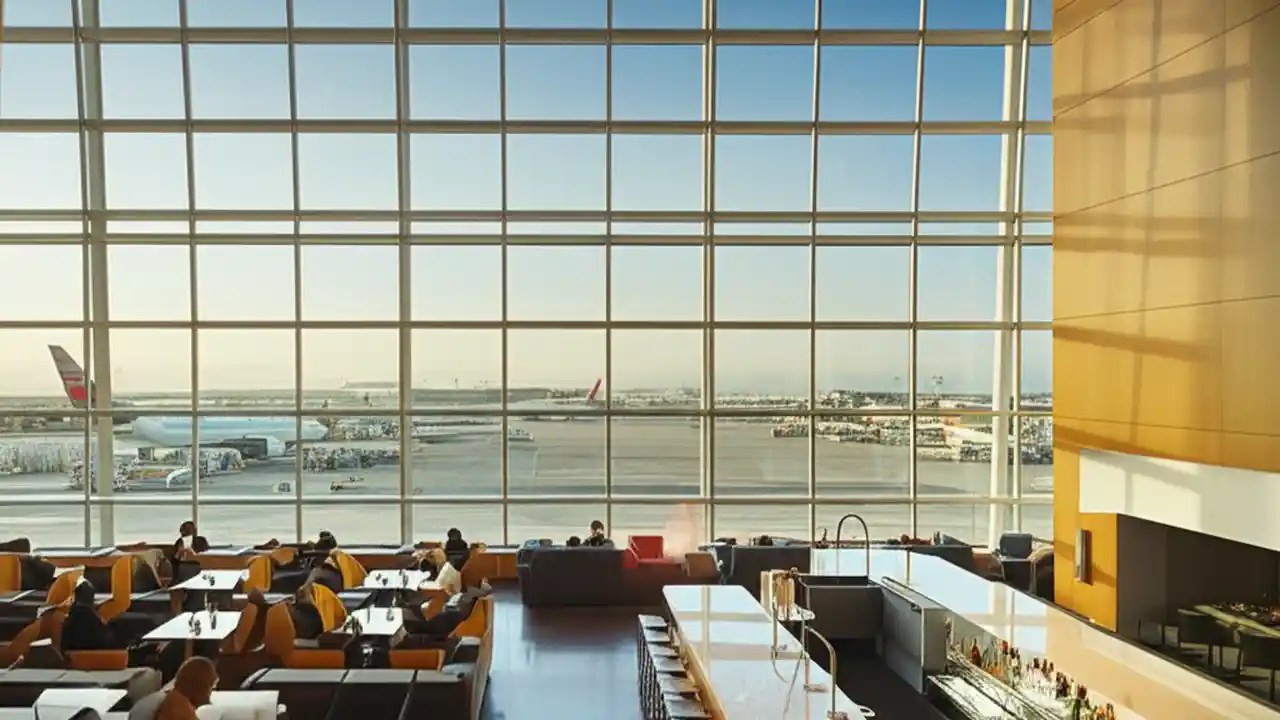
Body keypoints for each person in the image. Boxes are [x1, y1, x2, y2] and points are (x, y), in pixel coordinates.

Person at [153, 656, 218, 720]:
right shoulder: (180, 708)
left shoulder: (173, 697)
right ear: (201, 685)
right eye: (211, 686)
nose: (210, 693)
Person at [61, 580, 116, 652]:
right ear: (91, 599)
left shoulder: (68, 619)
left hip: (73, 658)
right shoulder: (95, 621)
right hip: (95, 657)